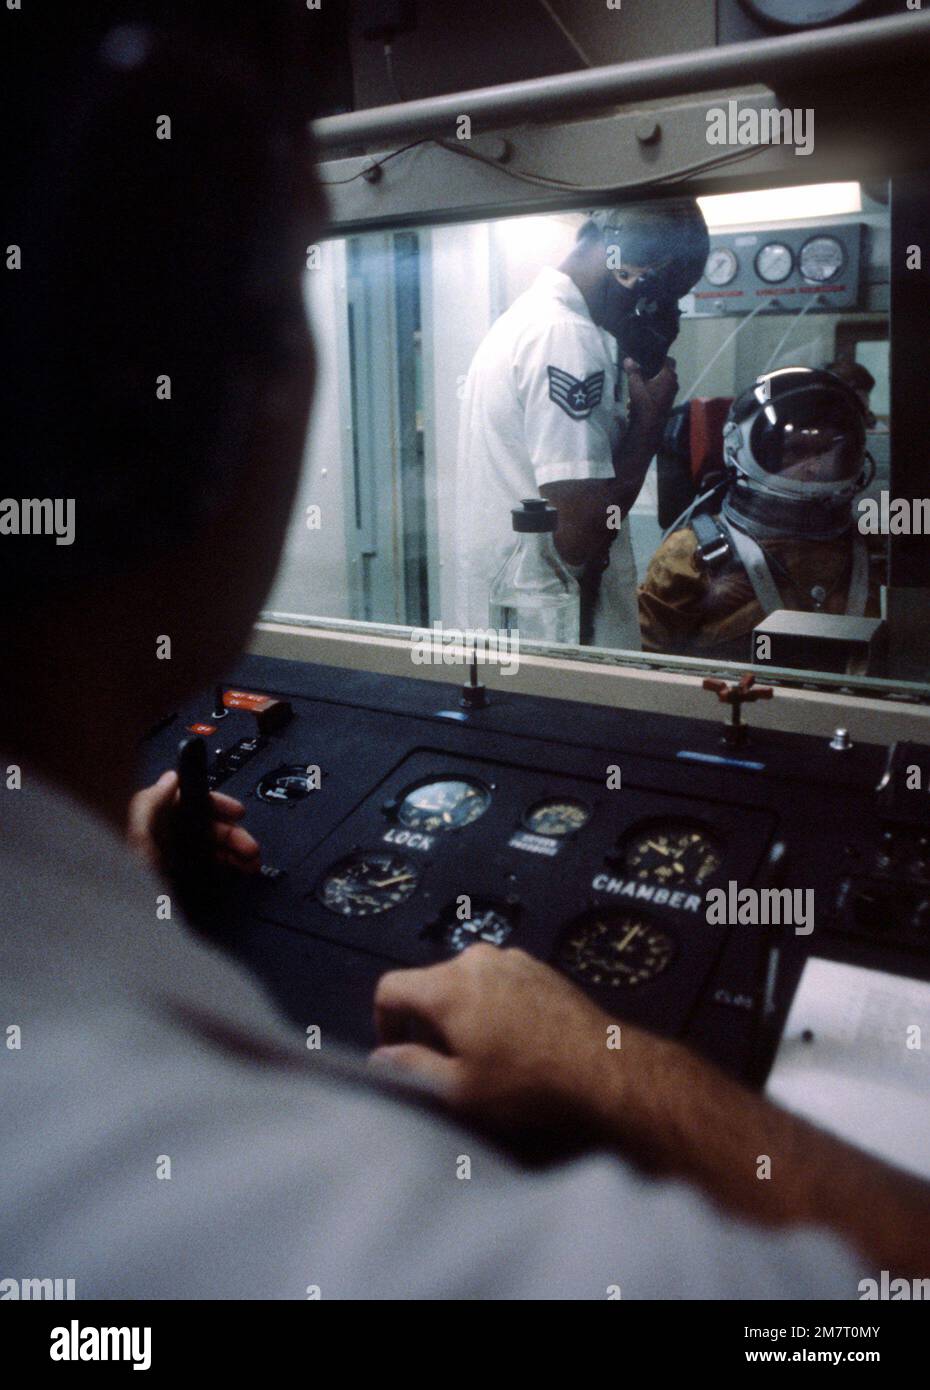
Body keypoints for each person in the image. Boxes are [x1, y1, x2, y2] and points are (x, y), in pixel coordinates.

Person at [3, 3, 929, 1301]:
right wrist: (622, 1069)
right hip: (545, 588)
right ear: (205, 404)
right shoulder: (396, 1251)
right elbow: (576, 515)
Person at [454, 203, 709, 649]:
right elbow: (578, 537)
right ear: (640, 275)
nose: (661, 315)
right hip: (559, 652)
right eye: (667, 294)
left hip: (524, 642)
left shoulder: (527, 321)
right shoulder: (565, 337)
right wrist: (650, 423)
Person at [638, 367, 882, 662]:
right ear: (742, 448)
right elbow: (645, 668)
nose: (814, 467)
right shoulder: (692, 555)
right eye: (797, 450)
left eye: (827, 453)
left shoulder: (874, 555)